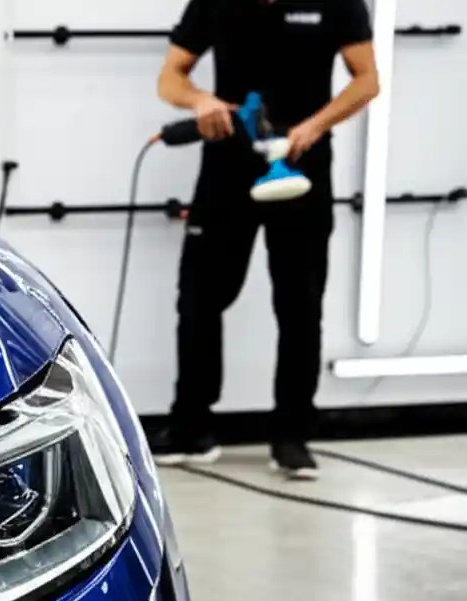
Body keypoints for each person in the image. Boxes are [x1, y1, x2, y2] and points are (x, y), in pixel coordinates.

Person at [151, 0, 379, 479]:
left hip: (302, 161)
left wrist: (316, 125)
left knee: (300, 303)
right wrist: (201, 102)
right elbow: (171, 76)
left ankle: (291, 436)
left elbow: (366, 79)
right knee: (198, 298)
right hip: (227, 164)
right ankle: (191, 428)